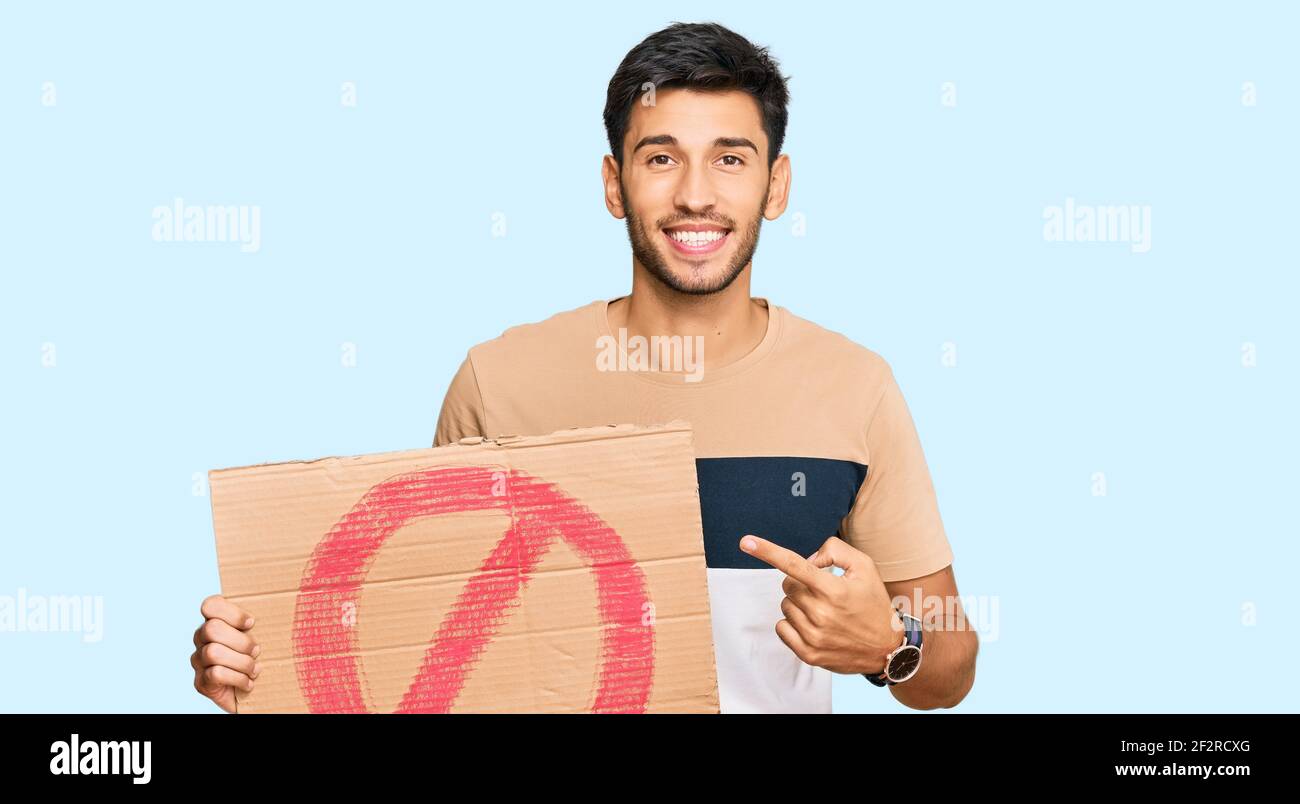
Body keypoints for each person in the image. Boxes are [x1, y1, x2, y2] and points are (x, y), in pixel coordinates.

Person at [192, 21, 978, 714]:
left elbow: (949, 669)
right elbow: (424, 646)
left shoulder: (855, 387)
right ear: (614, 185)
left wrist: (891, 646)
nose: (695, 194)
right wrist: (266, 676)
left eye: (730, 159)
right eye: (661, 157)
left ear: (776, 186)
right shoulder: (499, 383)